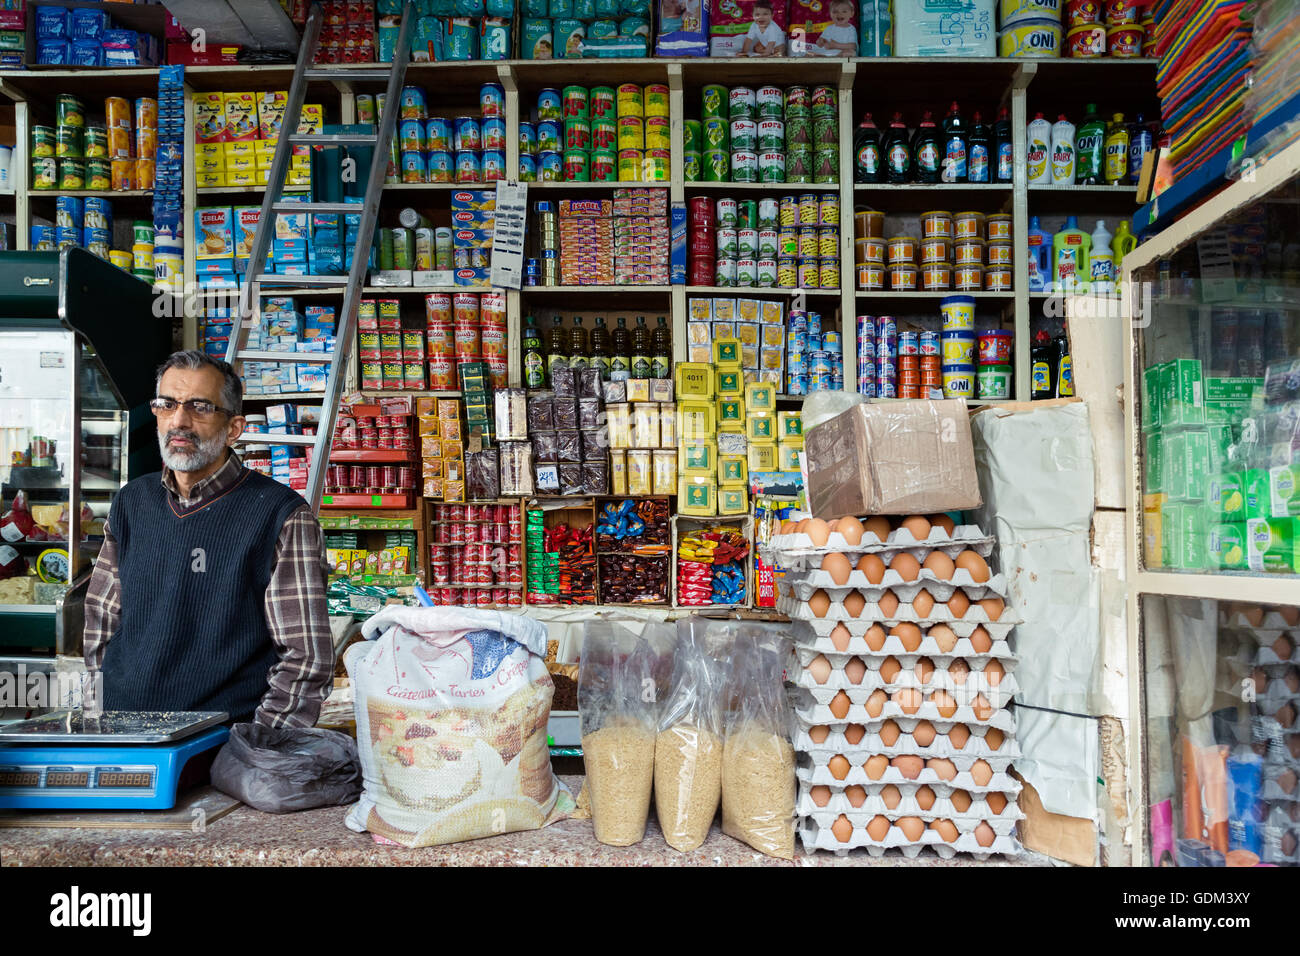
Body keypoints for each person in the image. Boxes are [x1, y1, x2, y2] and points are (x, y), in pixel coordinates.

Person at [83, 350, 334, 727]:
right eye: (167, 405)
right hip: (123, 733)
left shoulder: (279, 514)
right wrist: (95, 715)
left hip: (216, 743)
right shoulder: (132, 502)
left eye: (199, 407)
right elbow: (101, 623)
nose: (179, 421)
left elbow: (306, 657)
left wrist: (256, 746)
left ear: (233, 428)